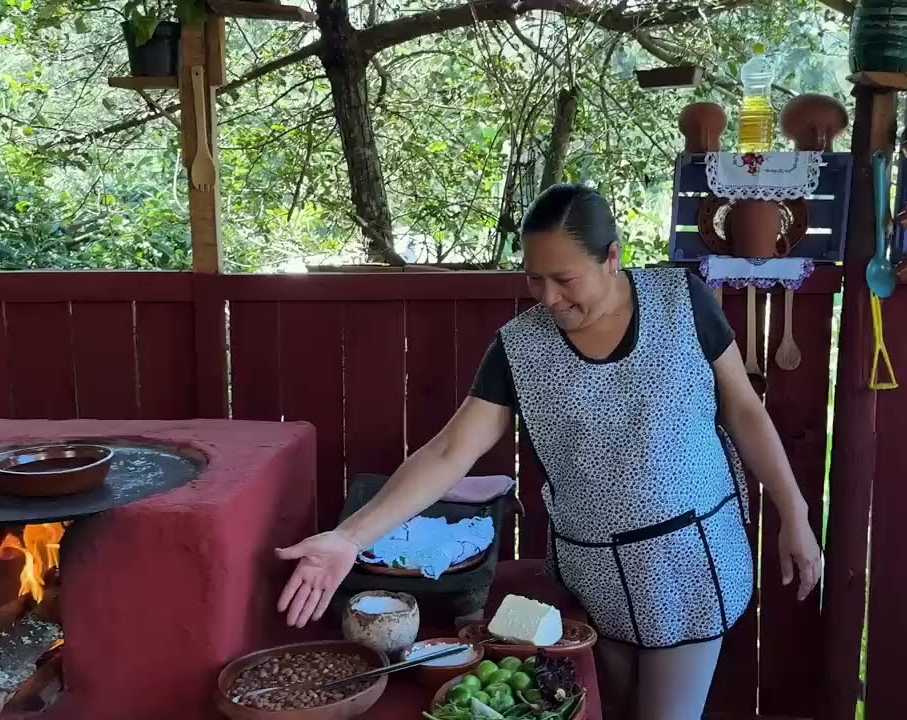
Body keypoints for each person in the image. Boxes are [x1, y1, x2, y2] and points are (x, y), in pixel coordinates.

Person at [275, 183, 822, 720]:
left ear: (612, 257)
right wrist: (350, 538)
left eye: (564, 278)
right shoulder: (519, 346)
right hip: (594, 573)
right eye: (534, 279)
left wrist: (793, 511)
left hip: (690, 563)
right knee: (605, 705)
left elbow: (745, 411)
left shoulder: (683, 302)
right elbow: (448, 453)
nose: (549, 297)